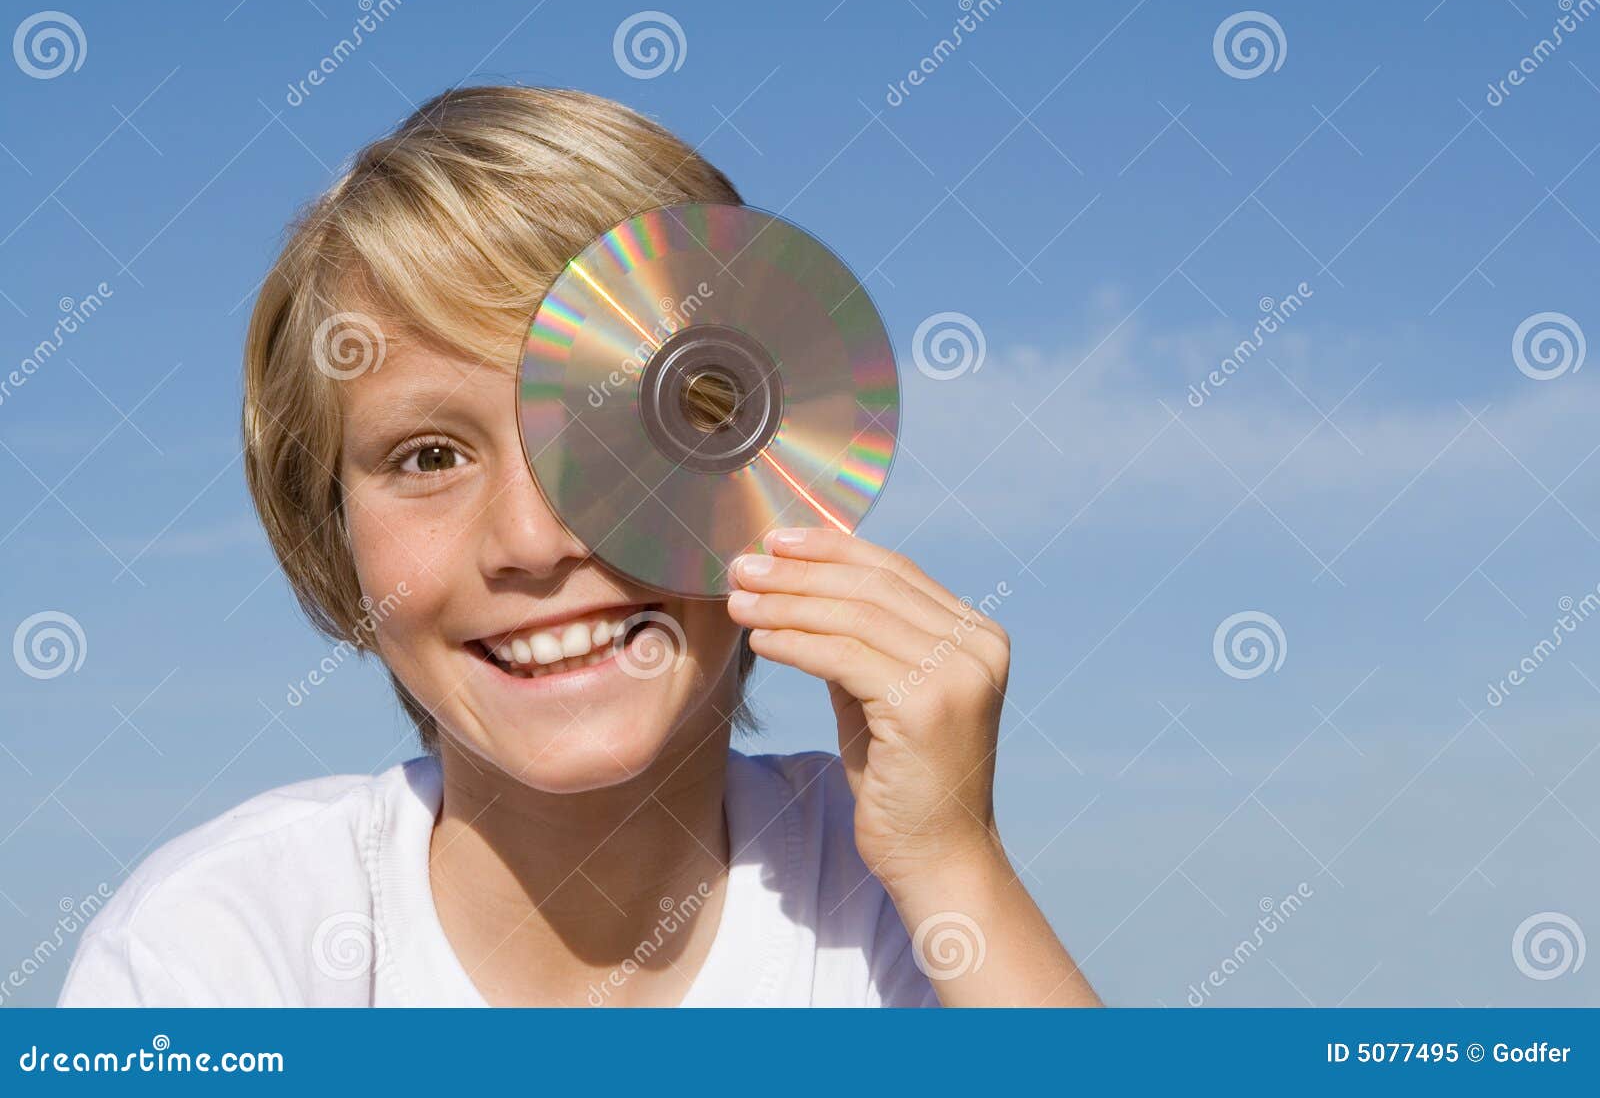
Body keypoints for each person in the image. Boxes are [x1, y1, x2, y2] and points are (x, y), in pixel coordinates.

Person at [57, 86, 1100, 1007]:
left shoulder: (892, 906)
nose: (533, 537)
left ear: (765, 470)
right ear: (330, 538)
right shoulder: (221, 949)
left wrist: (958, 865)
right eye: (426, 456)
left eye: (612, 429)